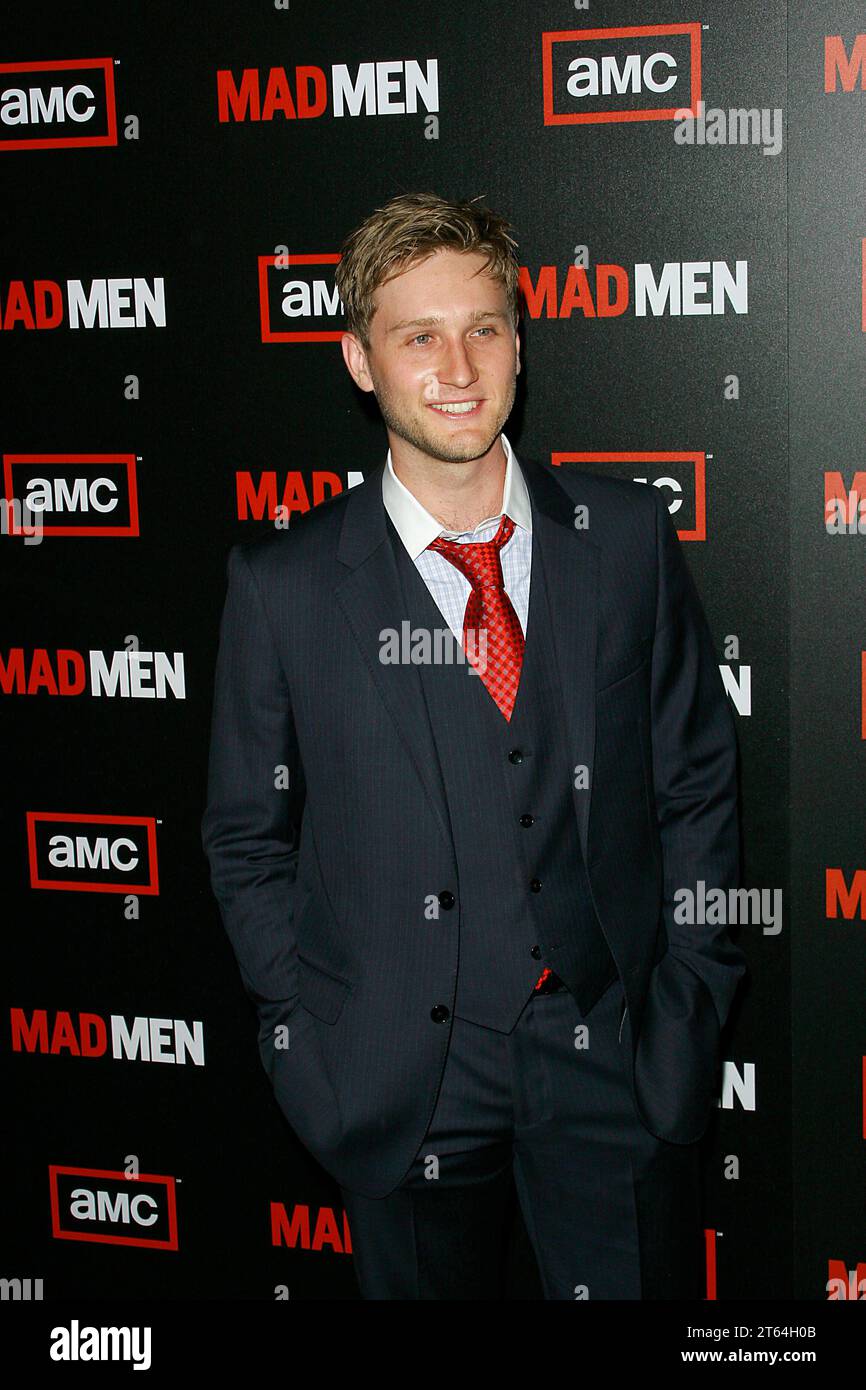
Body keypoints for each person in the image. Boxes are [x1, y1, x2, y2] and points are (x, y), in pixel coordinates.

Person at [201, 191, 746, 1300]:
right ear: (360, 361)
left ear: (517, 341)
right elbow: (247, 836)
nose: (457, 365)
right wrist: (309, 1043)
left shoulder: (625, 538)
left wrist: (684, 1013)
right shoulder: (286, 587)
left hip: (614, 1057)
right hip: (399, 1083)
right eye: (417, 336)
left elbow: (696, 785)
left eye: (482, 328)